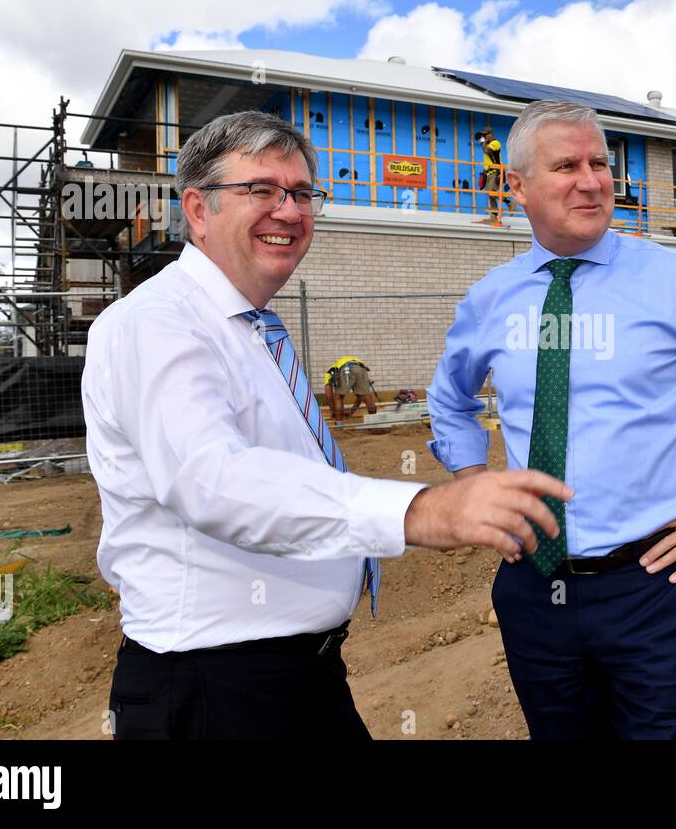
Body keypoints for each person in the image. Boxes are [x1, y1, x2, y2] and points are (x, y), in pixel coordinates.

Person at [82, 110, 569, 740]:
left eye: (303, 193)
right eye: (261, 190)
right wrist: (419, 511)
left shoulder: (249, 328)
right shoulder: (155, 324)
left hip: (292, 680)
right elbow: (212, 479)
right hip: (212, 694)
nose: (288, 211)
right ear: (198, 211)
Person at [426, 100, 676, 740]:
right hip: (533, 588)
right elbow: (448, 399)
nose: (591, 180)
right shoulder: (491, 298)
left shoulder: (675, 279)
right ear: (516, 186)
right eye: (566, 166)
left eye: (599, 163)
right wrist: (473, 484)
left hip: (655, 586)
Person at [475, 127, 512, 224]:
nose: (485, 136)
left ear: (491, 134)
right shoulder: (488, 143)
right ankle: (494, 217)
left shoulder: (495, 143)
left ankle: (509, 203)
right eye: (484, 135)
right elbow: (488, 159)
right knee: (490, 195)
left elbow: (486, 151)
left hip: (496, 171)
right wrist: (484, 171)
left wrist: (483, 141)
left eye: (486, 134)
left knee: (492, 192)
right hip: (489, 172)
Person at [323, 355, 377, 420]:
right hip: (361, 368)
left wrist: (332, 410)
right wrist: (351, 412)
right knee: (366, 396)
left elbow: (329, 396)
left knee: (338, 397)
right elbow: (359, 397)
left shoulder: (329, 372)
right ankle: (374, 421)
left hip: (346, 369)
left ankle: (339, 425)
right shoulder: (350, 361)